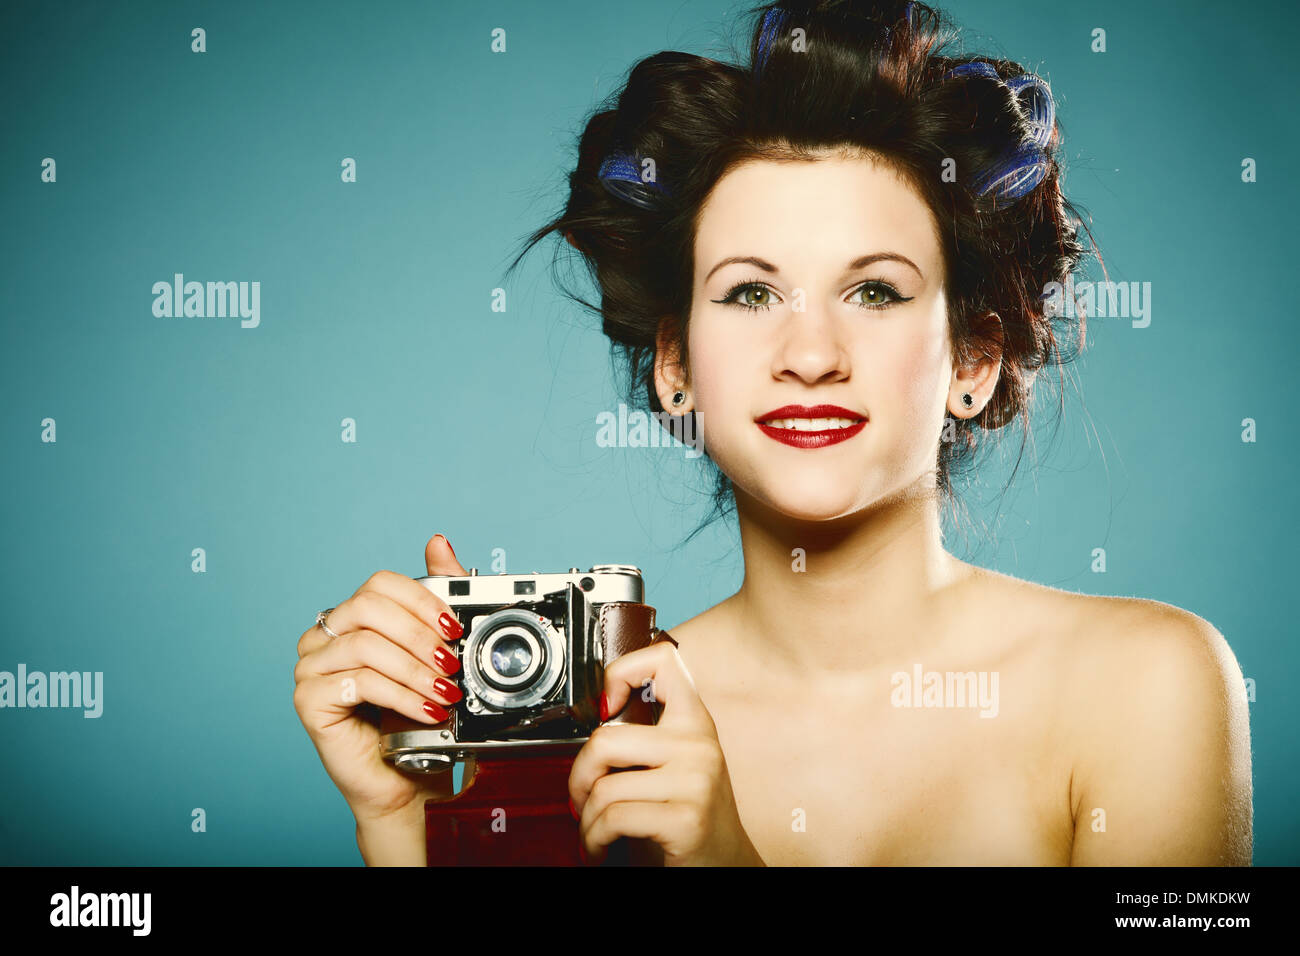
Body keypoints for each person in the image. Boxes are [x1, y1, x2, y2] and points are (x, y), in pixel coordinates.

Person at [294, 0, 1252, 866]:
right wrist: (397, 826)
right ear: (676, 366)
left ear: (973, 360)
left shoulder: (1146, 688)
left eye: (874, 290)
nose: (810, 352)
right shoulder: (584, 730)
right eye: (750, 293)